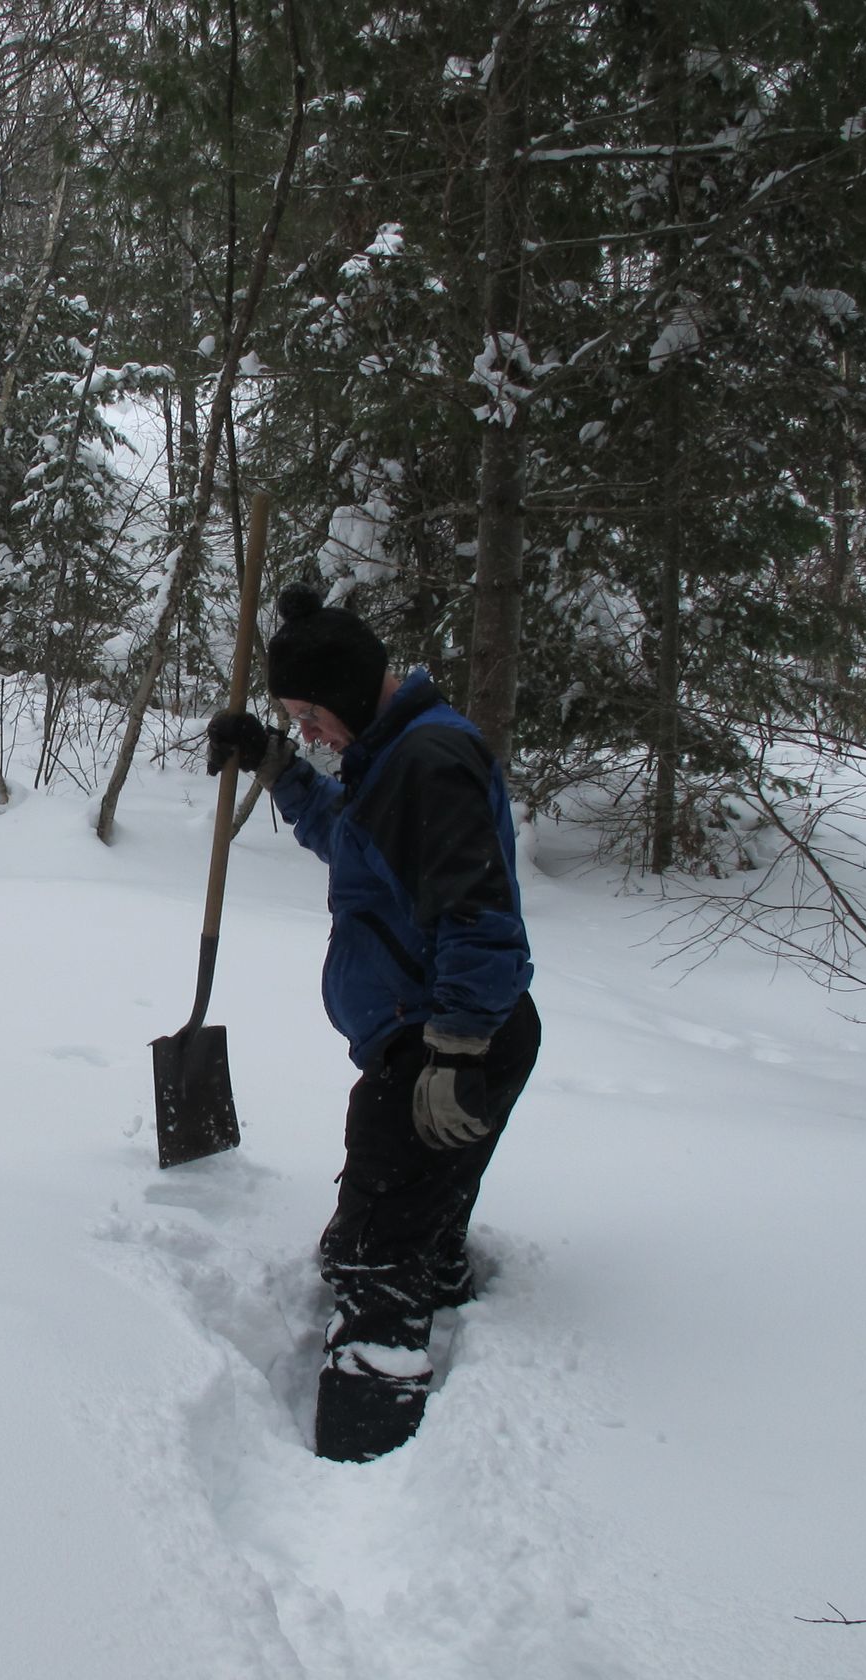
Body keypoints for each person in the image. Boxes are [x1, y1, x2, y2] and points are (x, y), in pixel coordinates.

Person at [206, 585, 540, 1462]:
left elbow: (479, 915)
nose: (310, 731)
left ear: (350, 697)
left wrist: (458, 1048)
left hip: (449, 1040)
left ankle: (365, 1451)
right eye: (296, 718)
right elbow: (351, 838)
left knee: (372, 1259)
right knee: (387, 1224)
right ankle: (440, 1274)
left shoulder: (430, 764)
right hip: (430, 1033)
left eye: (311, 715)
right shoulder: (390, 757)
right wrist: (275, 764)